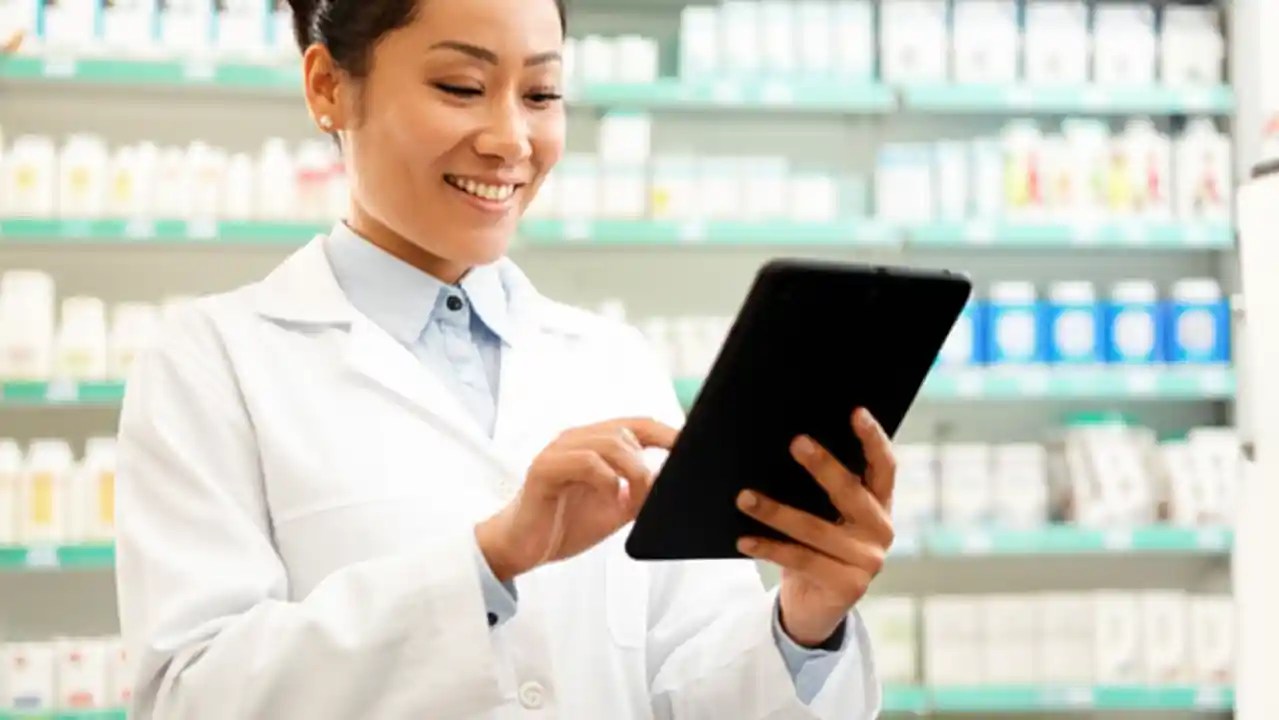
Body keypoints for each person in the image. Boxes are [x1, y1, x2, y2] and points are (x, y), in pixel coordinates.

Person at [114, 0, 898, 717]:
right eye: (460, 86)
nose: (510, 140)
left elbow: (689, 689)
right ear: (328, 87)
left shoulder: (614, 361)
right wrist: (488, 562)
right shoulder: (210, 365)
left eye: (541, 95)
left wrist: (806, 620)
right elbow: (192, 694)